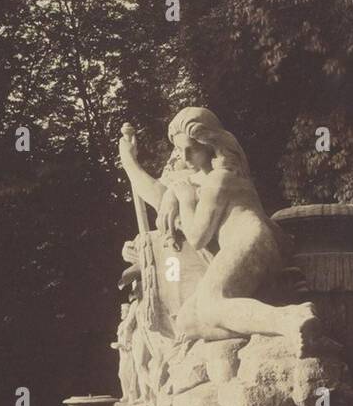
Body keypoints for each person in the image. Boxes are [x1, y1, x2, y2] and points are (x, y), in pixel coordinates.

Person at [118, 107, 319, 345]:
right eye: (179, 150)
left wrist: (183, 198)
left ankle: (290, 319)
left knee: (210, 304)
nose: (184, 156)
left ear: (210, 144)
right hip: (244, 245)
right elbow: (160, 194)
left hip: (251, 242)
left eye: (191, 149)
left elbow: (197, 237)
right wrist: (130, 161)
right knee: (187, 323)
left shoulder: (220, 178)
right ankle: (260, 321)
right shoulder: (204, 178)